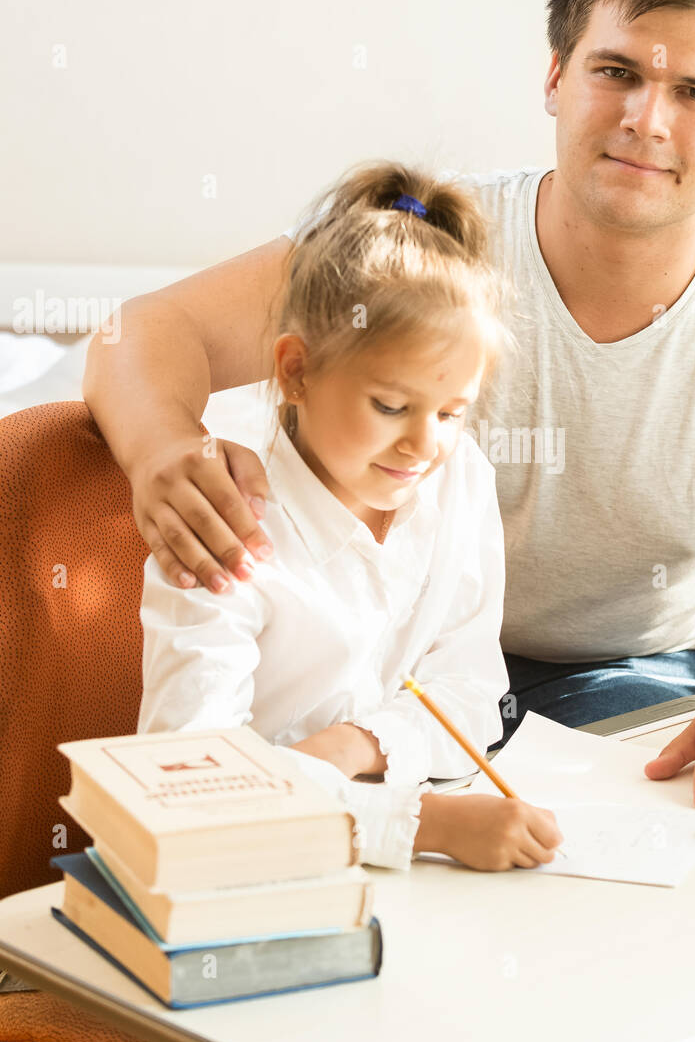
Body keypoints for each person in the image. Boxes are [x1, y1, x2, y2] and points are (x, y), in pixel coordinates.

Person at [85, 0, 695, 814]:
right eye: (617, 71)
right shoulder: (428, 247)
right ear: (556, 79)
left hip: (640, 685)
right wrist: (165, 445)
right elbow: (147, 332)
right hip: (404, 671)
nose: (646, 119)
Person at [135, 161, 563, 872]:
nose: (424, 446)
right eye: (390, 407)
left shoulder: (459, 480)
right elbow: (192, 788)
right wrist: (423, 824)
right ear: (296, 370)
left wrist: (353, 747)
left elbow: (473, 694)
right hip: (239, 881)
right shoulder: (227, 524)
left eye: (452, 412)